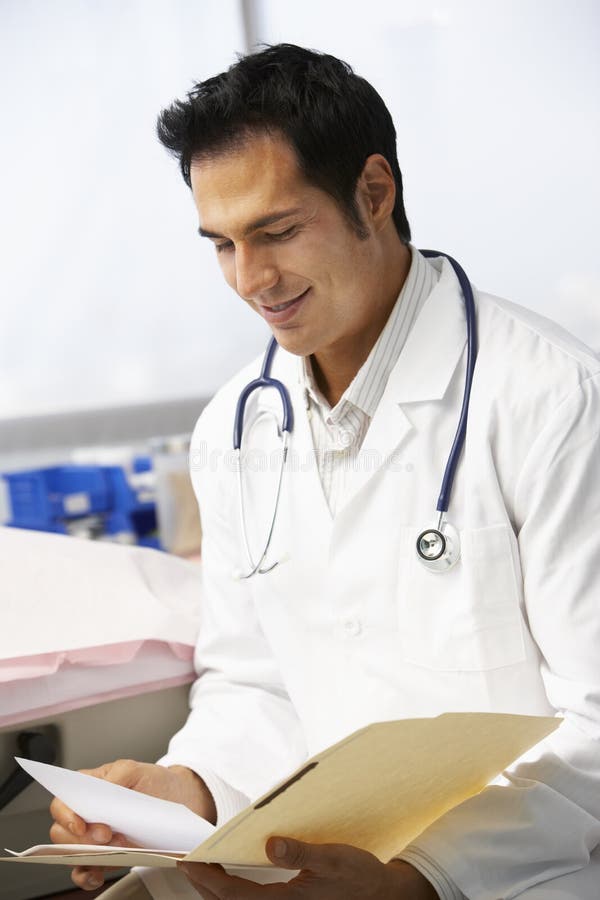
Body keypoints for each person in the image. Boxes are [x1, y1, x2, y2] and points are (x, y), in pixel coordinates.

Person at [49, 44, 600, 899]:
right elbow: (257, 682)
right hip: (319, 857)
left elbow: (596, 722)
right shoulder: (234, 429)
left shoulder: (551, 398)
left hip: (524, 871)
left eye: (276, 232)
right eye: (223, 243)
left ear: (373, 195)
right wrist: (188, 786)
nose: (251, 280)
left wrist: (422, 877)